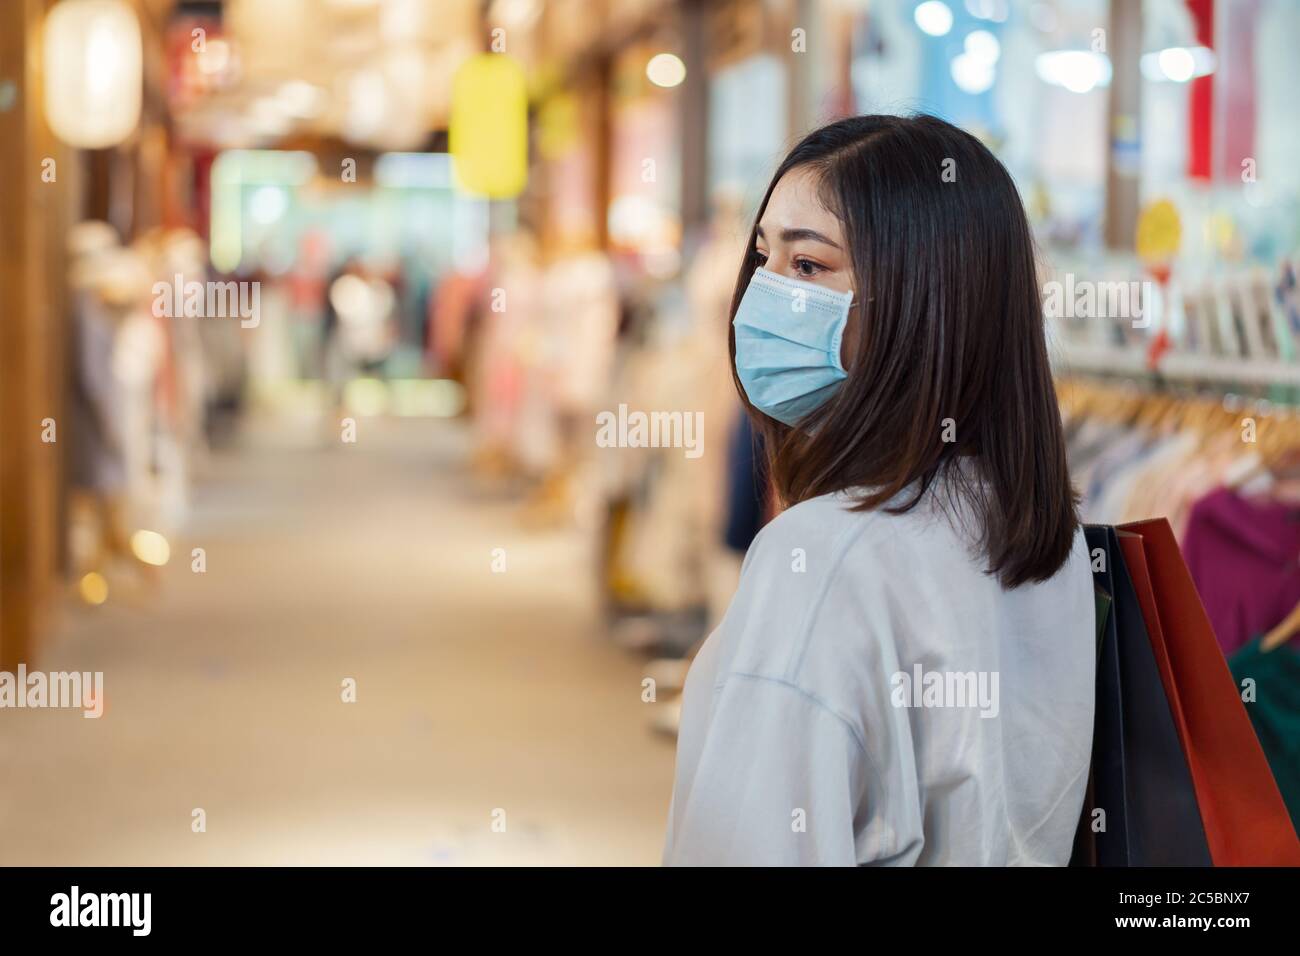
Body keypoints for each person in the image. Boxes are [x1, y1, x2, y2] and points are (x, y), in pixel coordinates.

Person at [662, 115, 1095, 866]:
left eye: (808, 267)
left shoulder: (822, 557)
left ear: (924, 296)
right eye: (763, 257)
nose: (758, 297)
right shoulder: (1038, 541)